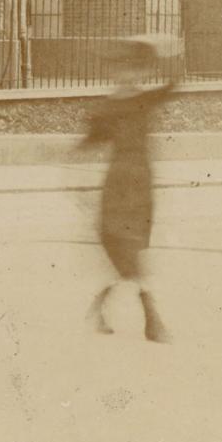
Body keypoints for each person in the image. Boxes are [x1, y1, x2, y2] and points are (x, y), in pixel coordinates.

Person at [75, 36, 177, 342]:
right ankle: (152, 319)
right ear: (113, 73)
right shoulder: (106, 108)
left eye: (136, 69)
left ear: (143, 72)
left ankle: (100, 306)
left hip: (142, 182)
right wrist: (79, 185)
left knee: (131, 251)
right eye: (122, 69)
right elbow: (88, 144)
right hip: (118, 183)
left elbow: (174, 85)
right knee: (126, 250)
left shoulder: (145, 99)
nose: (129, 76)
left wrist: (168, 51)